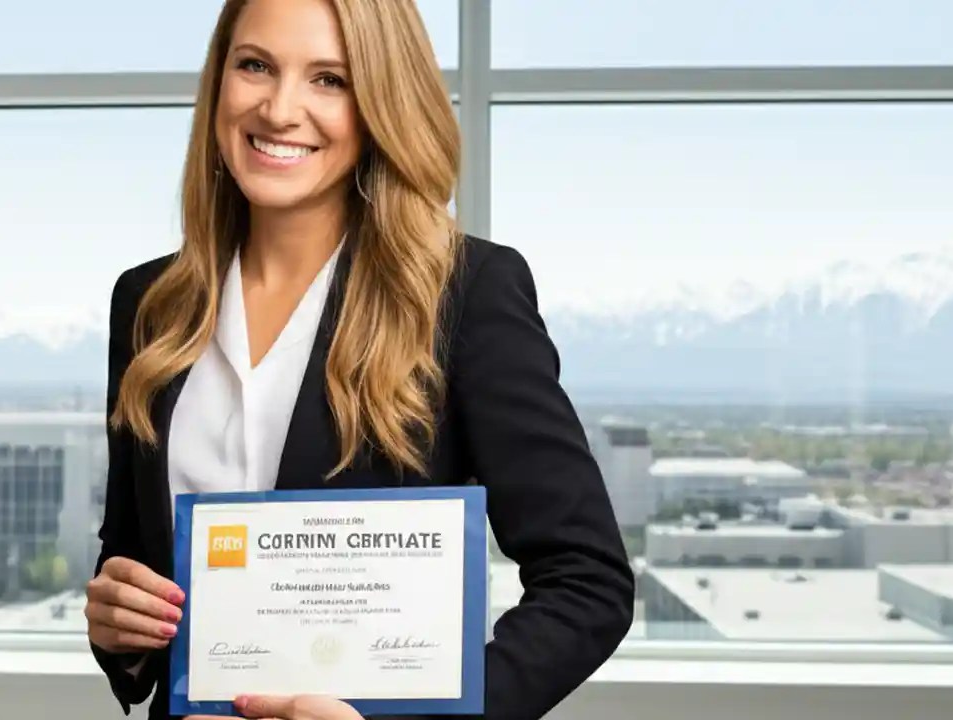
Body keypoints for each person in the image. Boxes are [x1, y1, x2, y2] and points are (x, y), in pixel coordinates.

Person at [85, 1, 634, 719]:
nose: (281, 109)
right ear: (219, 81)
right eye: (255, 66)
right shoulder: (149, 302)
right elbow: (132, 555)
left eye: (330, 80)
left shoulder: (464, 292)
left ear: (380, 101)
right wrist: (120, 627)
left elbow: (587, 581)